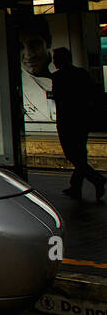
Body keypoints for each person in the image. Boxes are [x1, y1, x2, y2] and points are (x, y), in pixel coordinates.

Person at [50, 47, 105, 201]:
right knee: (80, 154)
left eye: (55, 59)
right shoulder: (82, 74)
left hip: (66, 121)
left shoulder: (58, 77)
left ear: (61, 60)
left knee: (72, 154)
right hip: (82, 121)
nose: (53, 62)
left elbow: (59, 99)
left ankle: (96, 179)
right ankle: (76, 186)